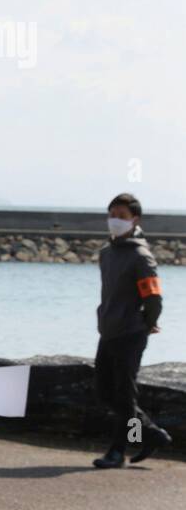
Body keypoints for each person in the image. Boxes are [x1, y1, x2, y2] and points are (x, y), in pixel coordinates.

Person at [92, 193, 170, 468]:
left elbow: (153, 298)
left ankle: (117, 452)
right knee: (105, 392)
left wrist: (148, 323)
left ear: (135, 220)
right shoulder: (107, 252)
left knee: (125, 394)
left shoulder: (141, 256)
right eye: (112, 215)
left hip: (131, 332)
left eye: (122, 216)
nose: (115, 220)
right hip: (108, 329)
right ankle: (149, 434)